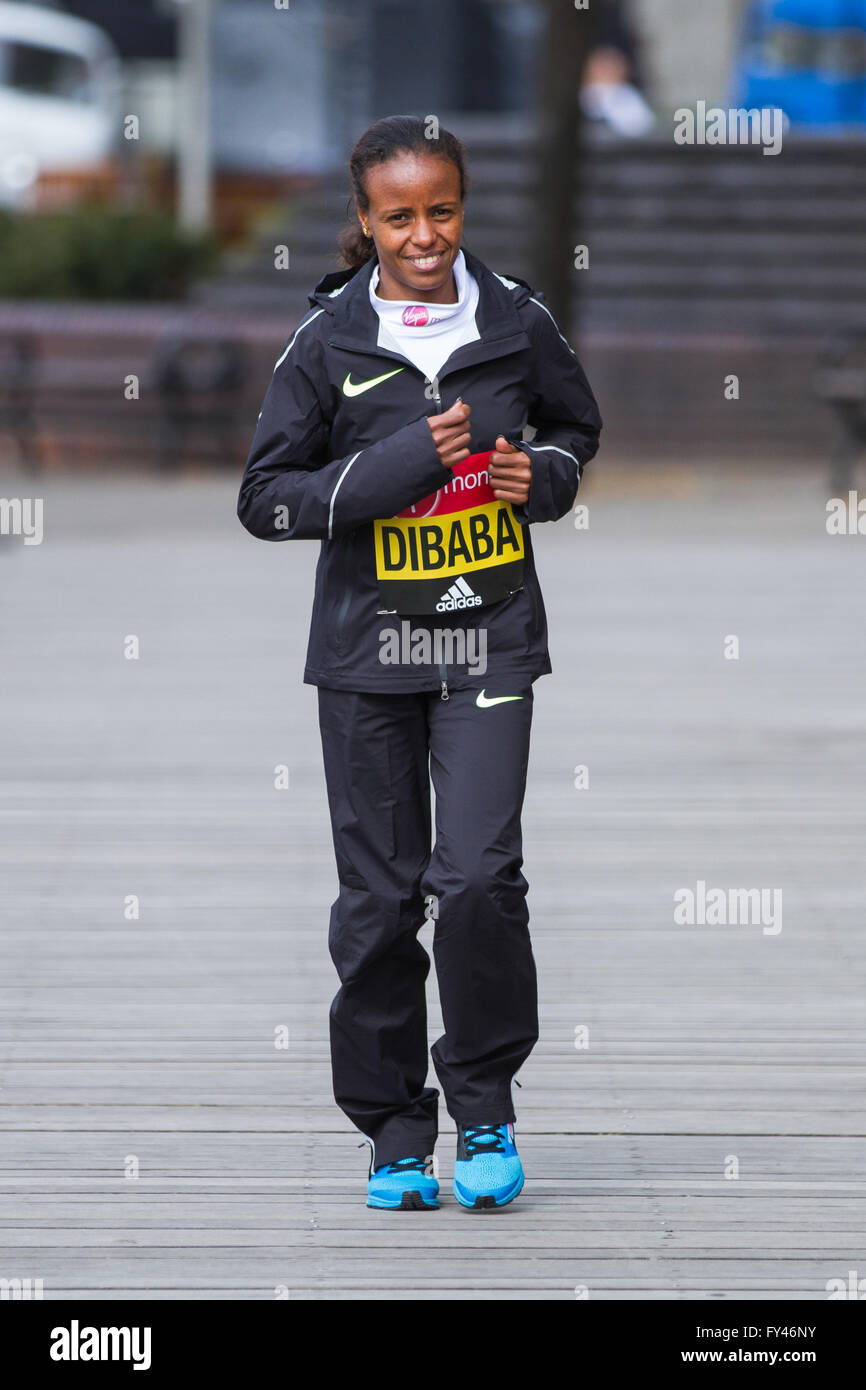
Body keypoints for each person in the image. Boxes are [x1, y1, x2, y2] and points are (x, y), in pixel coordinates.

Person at [237, 115, 602, 1212]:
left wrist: (533, 475)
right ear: (364, 222)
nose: (423, 234)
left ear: (460, 204)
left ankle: (483, 1111)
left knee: (481, 878)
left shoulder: (516, 319)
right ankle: (396, 1133)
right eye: (398, 216)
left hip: (486, 636)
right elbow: (264, 500)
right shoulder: (325, 345)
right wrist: (397, 461)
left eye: (439, 209)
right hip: (367, 653)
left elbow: (576, 435)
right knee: (381, 899)